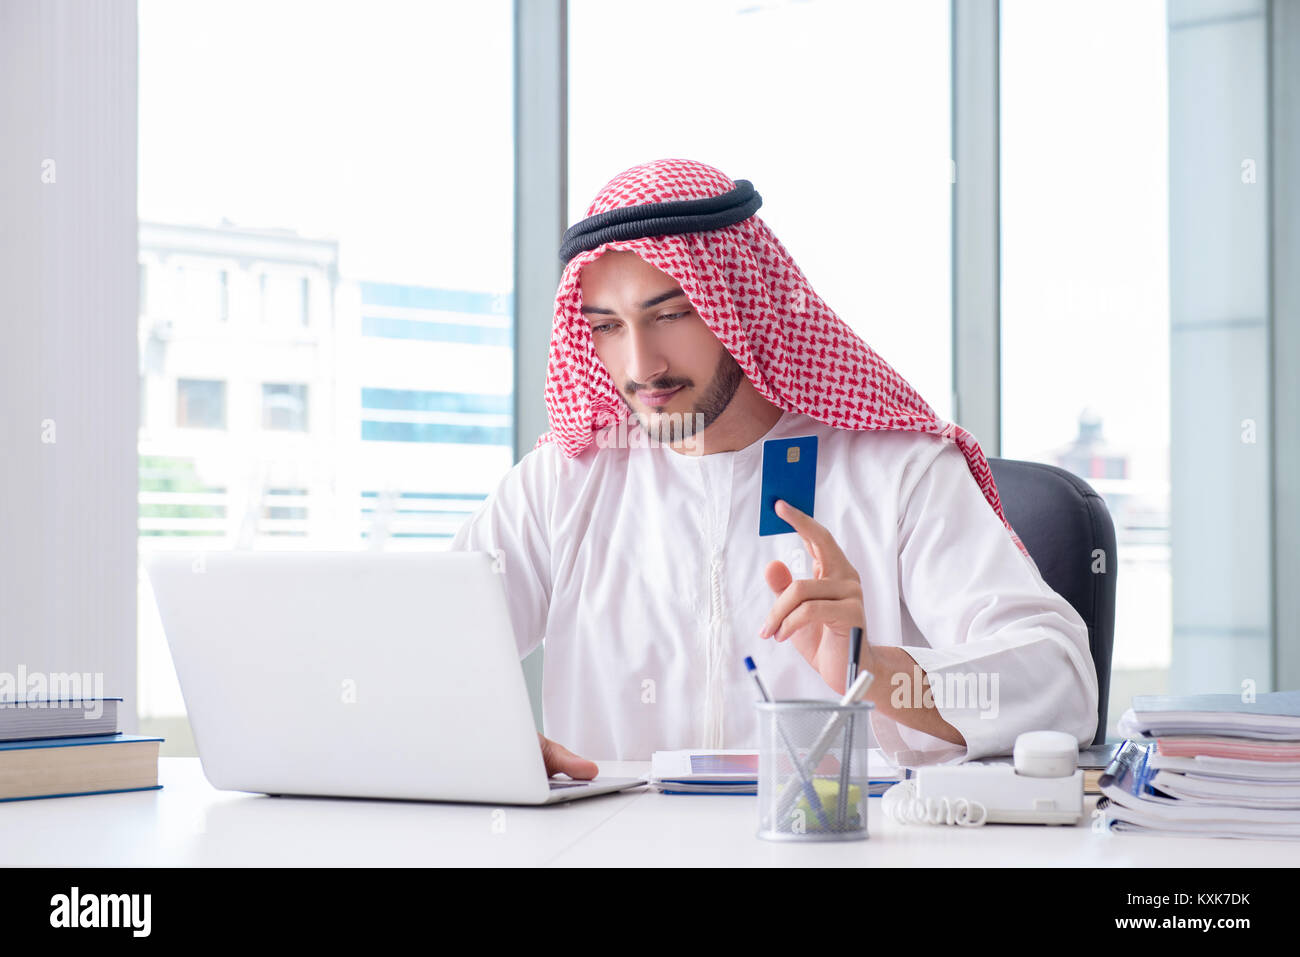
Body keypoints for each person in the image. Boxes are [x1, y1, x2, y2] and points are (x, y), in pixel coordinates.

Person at [451, 158, 1098, 780]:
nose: (640, 364)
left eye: (670, 314)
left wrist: (874, 669)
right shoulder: (564, 484)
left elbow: (1060, 682)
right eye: (609, 327)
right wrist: (489, 739)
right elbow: (419, 654)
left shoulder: (896, 470)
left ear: (739, 298)